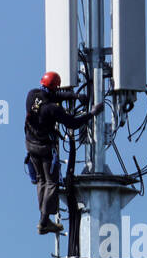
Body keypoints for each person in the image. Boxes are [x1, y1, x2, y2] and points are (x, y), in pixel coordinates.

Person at [24, 72, 101, 235]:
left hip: (30, 145)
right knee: (51, 182)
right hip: (44, 148)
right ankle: (44, 222)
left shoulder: (32, 95)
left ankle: (43, 218)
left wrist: (75, 95)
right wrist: (91, 113)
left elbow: (53, 96)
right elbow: (72, 123)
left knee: (40, 180)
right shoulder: (52, 109)